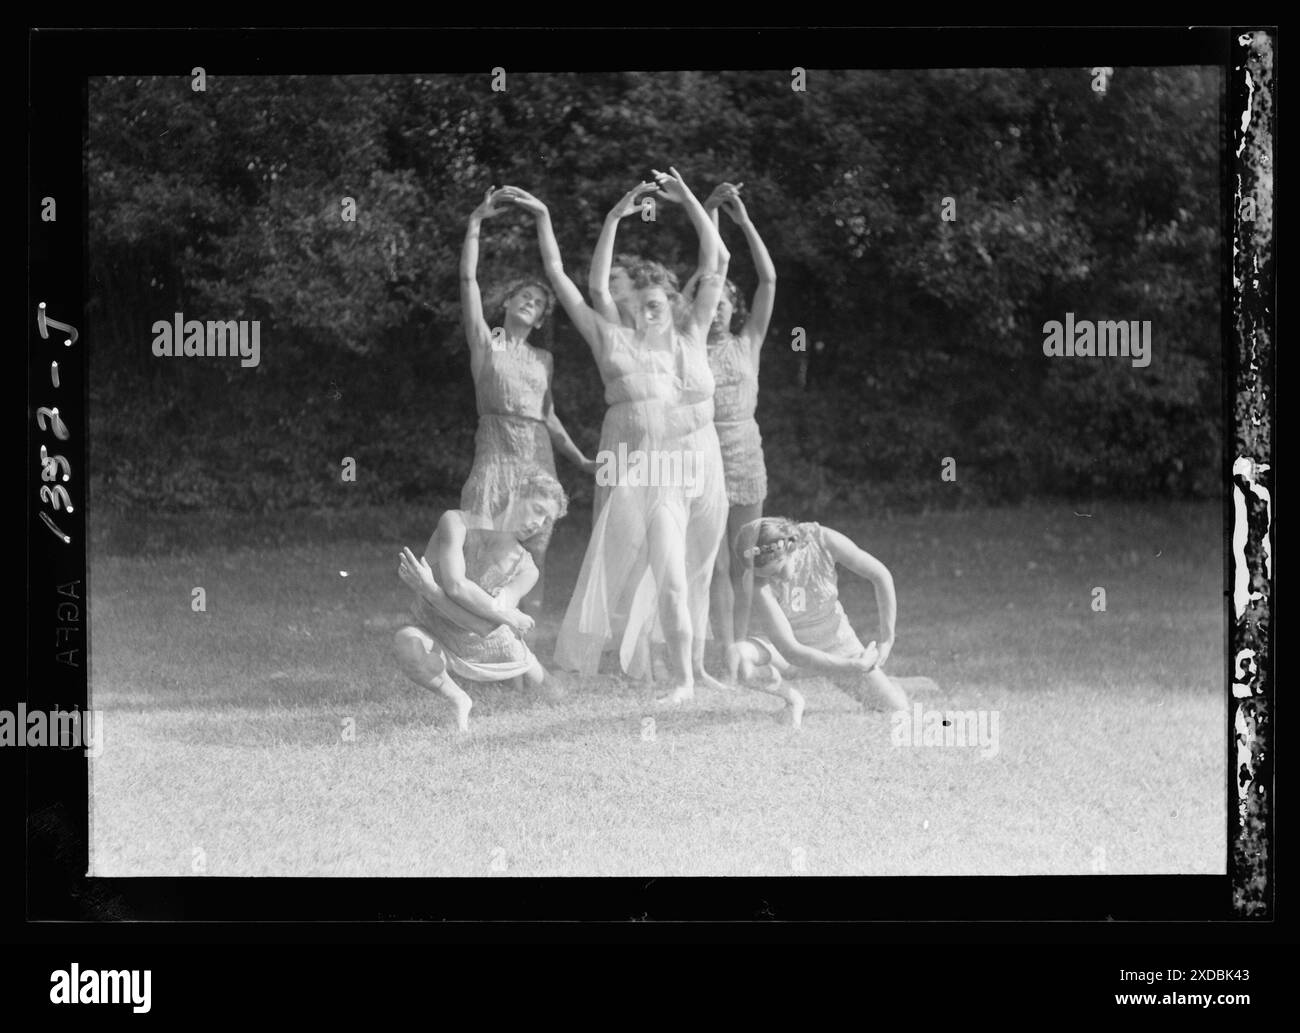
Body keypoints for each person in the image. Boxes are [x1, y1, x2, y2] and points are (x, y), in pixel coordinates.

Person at [497, 173, 730, 701]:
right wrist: (612, 218)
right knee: (652, 568)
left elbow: (714, 264)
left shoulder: (691, 336)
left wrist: (690, 199)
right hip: (646, 469)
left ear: (672, 304)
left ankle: (684, 664)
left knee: (695, 569)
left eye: (657, 303)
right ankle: (675, 677)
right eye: (640, 304)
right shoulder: (614, 340)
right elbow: (575, 281)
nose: (647, 311)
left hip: (699, 464)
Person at [458, 187, 595, 614]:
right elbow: (467, 281)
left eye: (537, 304)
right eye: (524, 297)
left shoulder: (544, 359)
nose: (530, 304)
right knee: (482, 542)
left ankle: (522, 648)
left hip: (537, 456)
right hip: (495, 449)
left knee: (534, 552)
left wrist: (582, 461)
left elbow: (549, 417)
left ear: (538, 320)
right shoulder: (486, 343)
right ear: (509, 303)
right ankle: (473, 628)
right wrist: (476, 224)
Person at [393, 472, 569, 732]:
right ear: (515, 496)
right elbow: (456, 585)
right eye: (537, 510)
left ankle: (552, 679)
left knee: (554, 694)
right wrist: (506, 615)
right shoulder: (455, 522)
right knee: (406, 643)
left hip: (493, 645)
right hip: (433, 628)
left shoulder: (527, 569)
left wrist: (430, 589)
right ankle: (460, 699)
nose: (538, 524)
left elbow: (486, 627)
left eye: (546, 520)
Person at [730, 516, 938, 728]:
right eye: (766, 576)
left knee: (896, 708)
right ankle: (793, 699)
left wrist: (887, 639)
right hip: (788, 656)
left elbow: (880, 575)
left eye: (779, 569)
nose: (778, 579)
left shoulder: (823, 541)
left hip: (836, 645)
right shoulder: (755, 582)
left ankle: (893, 683)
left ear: (790, 547)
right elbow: (791, 650)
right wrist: (852, 666)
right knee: (737, 658)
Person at [693, 182, 775, 673]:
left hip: (745, 452)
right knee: (713, 563)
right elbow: (708, 270)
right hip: (703, 454)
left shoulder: (749, 342)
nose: (718, 305)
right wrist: (707, 215)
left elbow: (768, 280)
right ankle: (718, 644)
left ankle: (738, 649)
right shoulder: (689, 345)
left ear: (736, 308)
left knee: (746, 559)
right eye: (713, 300)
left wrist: (742, 220)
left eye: (726, 301)